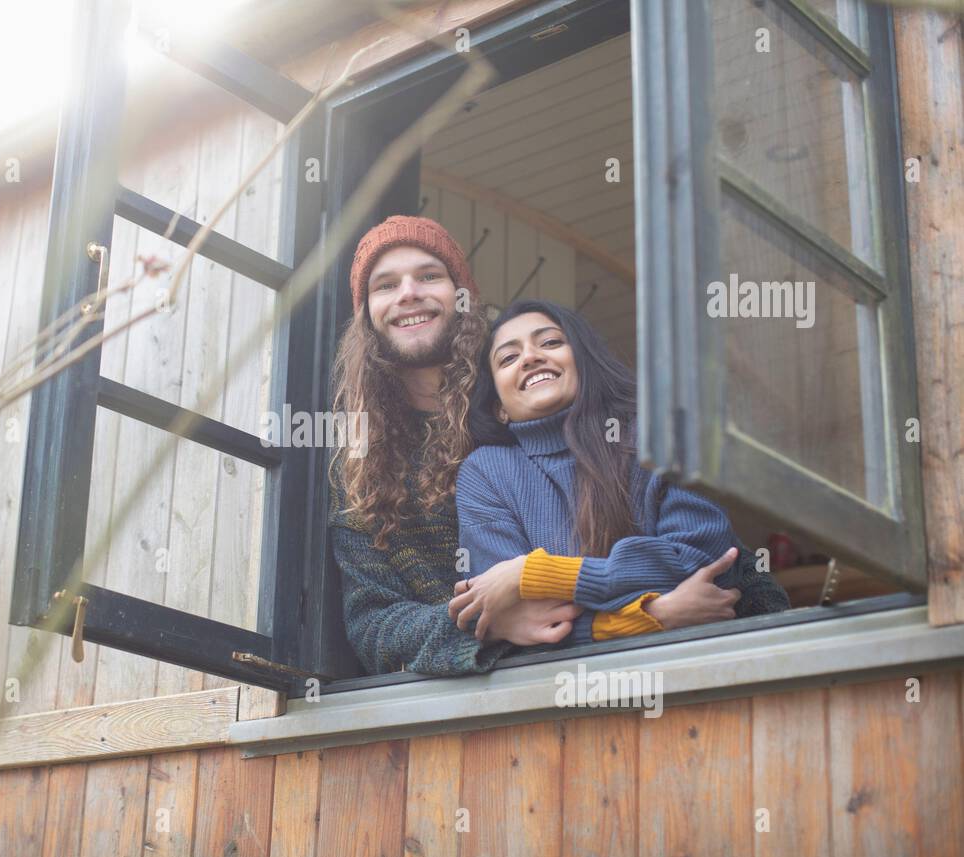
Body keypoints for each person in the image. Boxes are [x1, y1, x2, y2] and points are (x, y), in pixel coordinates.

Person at [327, 215, 788, 676]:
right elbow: (373, 625)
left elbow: (706, 555)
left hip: (710, 659)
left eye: (430, 275)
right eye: (385, 285)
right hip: (503, 697)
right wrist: (491, 626)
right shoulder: (364, 466)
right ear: (365, 314)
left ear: (462, 296)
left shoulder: (534, 395)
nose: (409, 292)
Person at [447, 298, 787, 642]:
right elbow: (511, 622)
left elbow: (697, 561)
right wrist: (653, 616)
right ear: (498, 408)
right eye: (508, 357)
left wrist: (532, 572)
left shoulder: (663, 434)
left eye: (550, 342)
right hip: (561, 690)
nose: (531, 357)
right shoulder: (485, 473)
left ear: (585, 362)